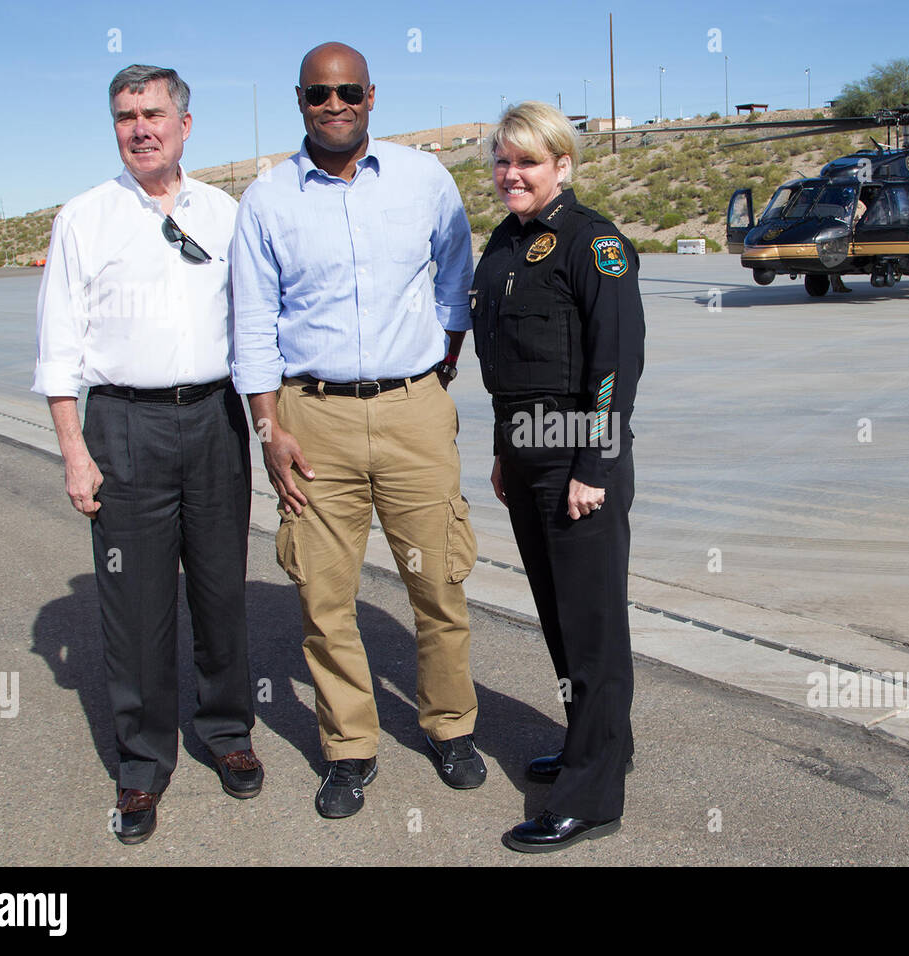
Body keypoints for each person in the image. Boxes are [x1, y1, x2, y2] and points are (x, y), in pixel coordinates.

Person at [230, 42, 483, 820]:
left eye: (347, 91)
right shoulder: (267, 200)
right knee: (323, 596)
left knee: (438, 581)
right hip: (312, 422)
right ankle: (349, 749)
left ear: (372, 96)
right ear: (299, 101)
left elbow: (455, 278)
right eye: (317, 93)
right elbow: (253, 325)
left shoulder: (423, 179)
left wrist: (434, 371)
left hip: (413, 412)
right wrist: (269, 428)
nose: (333, 105)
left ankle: (449, 726)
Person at [33, 64, 261, 846]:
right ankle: (141, 763)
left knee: (221, 587)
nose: (140, 128)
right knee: (134, 608)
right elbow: (59, 347)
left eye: (154, 113)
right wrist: (74, 451)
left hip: (213, 419)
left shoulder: (228, 215)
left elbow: (260, 329)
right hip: (122, 427)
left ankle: (228, 729)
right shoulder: (85, 218)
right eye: (126, 115)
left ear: (185, 125)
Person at [470, 102, 645, 853]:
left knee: (593, 628)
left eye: (527, 162)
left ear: (562, 166)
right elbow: (509, 365)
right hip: (528, 450)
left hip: (579, 455)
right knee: (559, 618)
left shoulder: (592, 242)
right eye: (504, 163)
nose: (512, 174)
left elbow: (614, 362)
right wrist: (509, 452)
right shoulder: (505, 247)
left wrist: (593, 465)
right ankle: (595, 743)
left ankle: (592, 794)